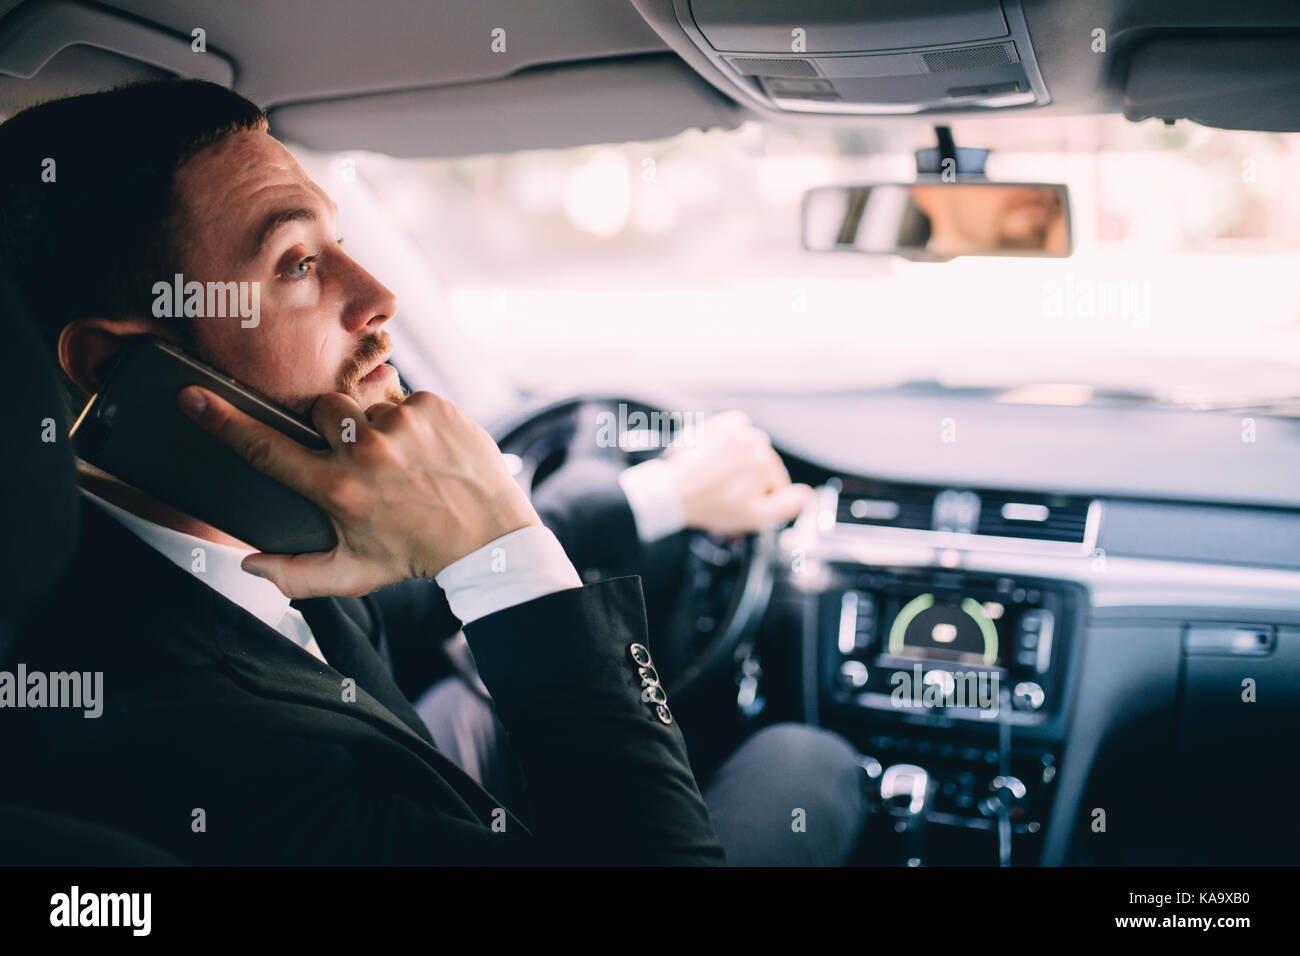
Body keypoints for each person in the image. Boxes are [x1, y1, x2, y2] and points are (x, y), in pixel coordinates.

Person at [0, 80, 866, 865]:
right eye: (297, 264)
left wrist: (660, 497)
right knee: (808, 759)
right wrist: (502, 541)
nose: (379, 295)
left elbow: (405, 599)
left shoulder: (217, 524)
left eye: (339, 241)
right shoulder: (207, 766)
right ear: (124, 371)